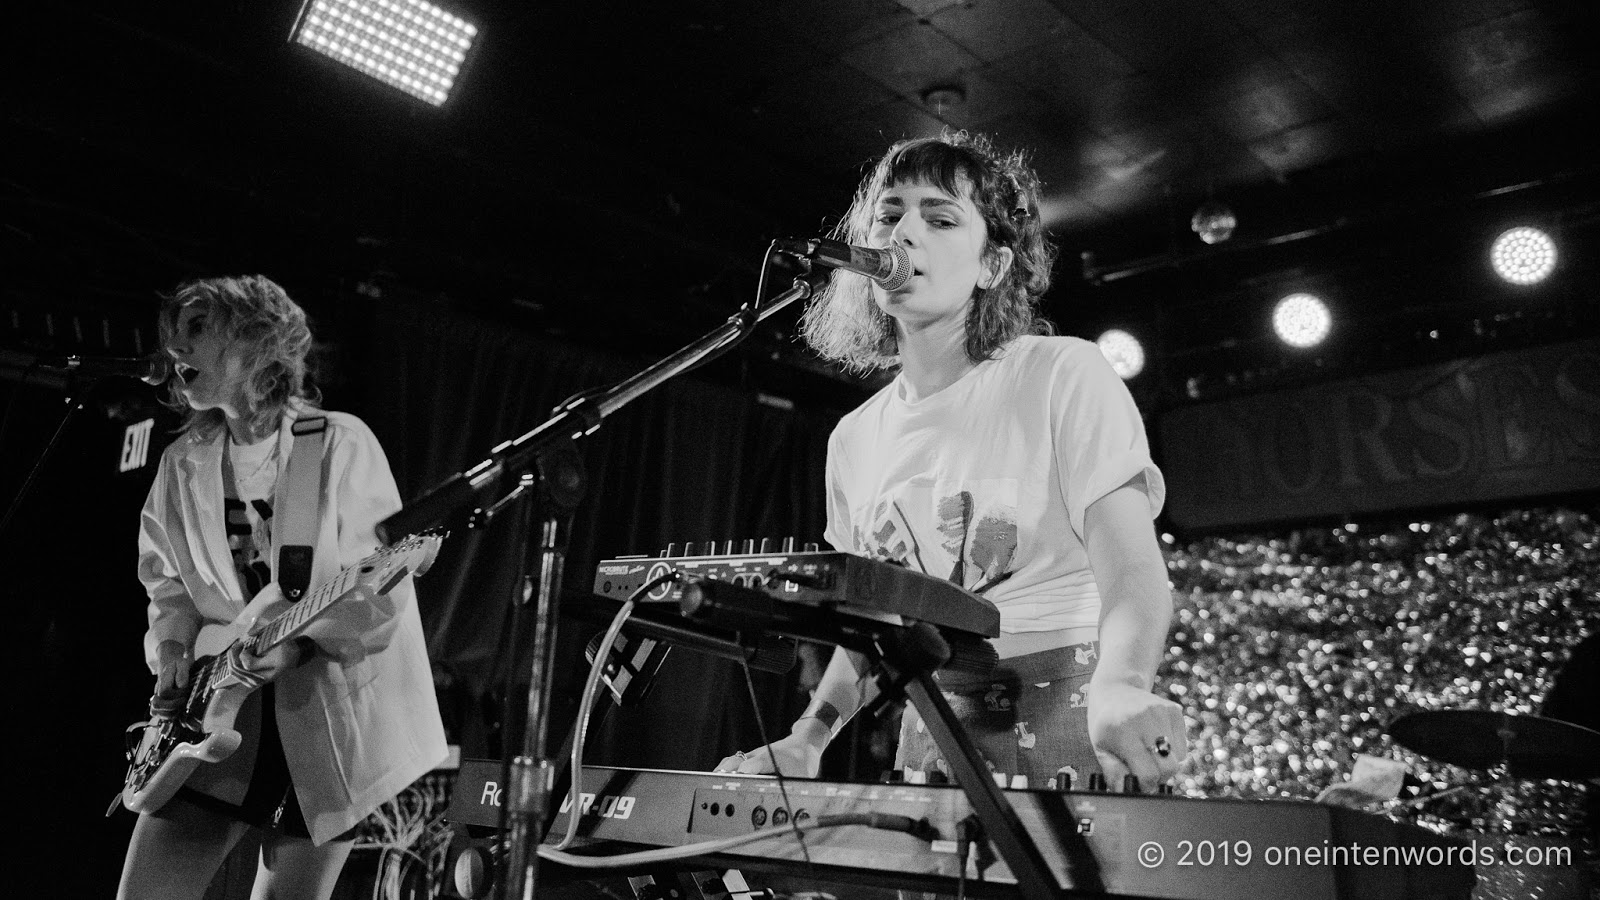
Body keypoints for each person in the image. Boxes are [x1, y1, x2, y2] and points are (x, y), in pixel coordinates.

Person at [715, 132, 1186, 795]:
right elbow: (873, 626)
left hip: (1078, 707)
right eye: (889, 214)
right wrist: (808, 736)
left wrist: (1124, 685)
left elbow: (1134, 567)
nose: (905, 231)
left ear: (992, 266)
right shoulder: (854, 438)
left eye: (938, 218)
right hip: (936, 725)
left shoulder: (1062, 373)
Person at [117, 275, 448, 900]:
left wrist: (293, 649)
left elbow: (377, 597)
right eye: (176, 335)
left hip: (321, 722)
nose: (179, 350)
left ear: (257, 346)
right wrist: (172, 654)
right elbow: (167, 586)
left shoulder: (339, 444)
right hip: (207, 719)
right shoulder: (181, 460)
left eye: (200, 332)